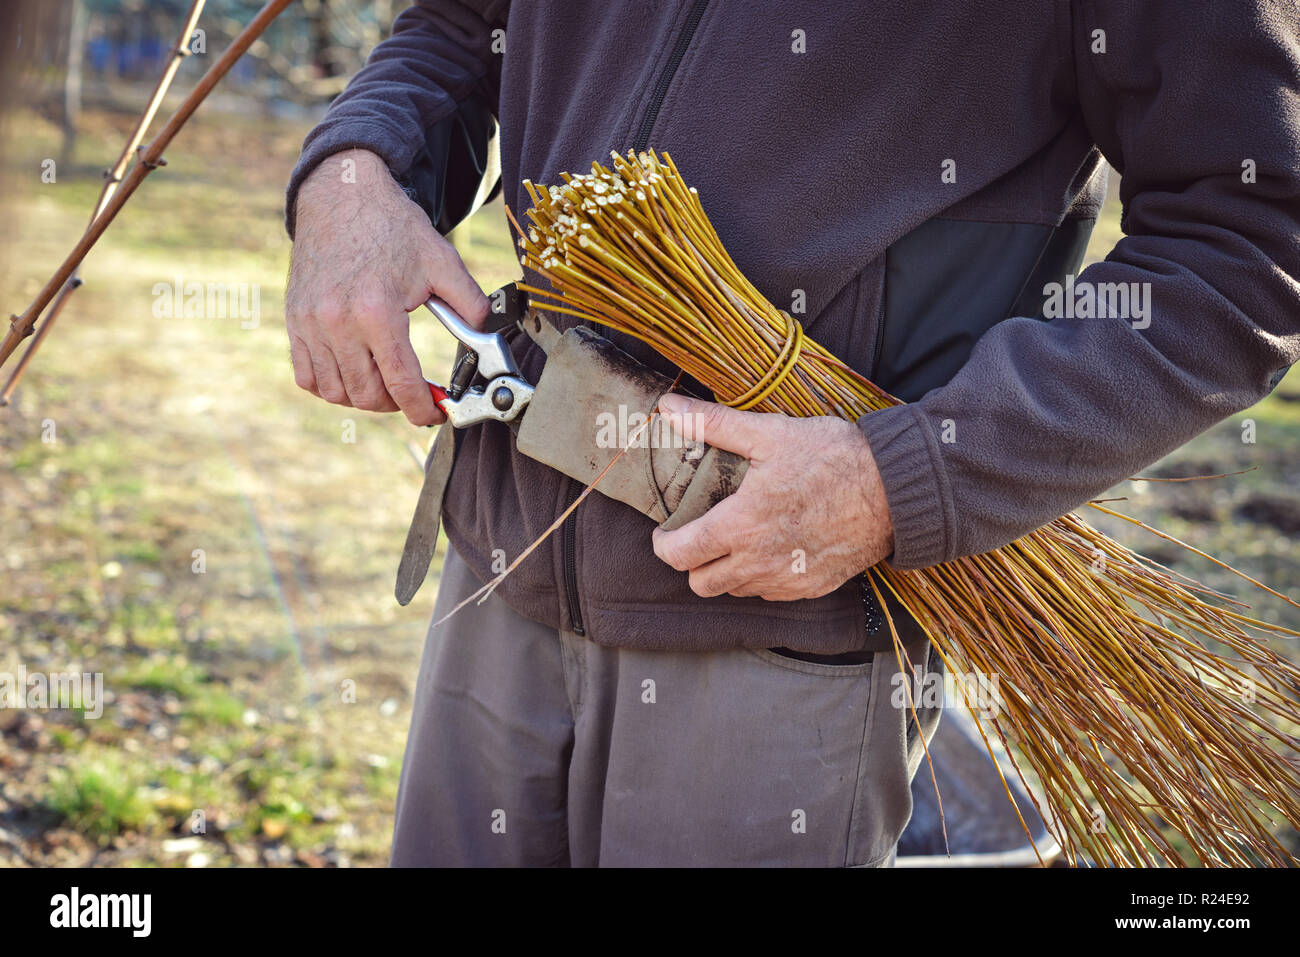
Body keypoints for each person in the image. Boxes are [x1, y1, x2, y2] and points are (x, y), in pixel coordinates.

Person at [283, 1, 1300, 866]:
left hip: (789, 611)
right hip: (501, 545)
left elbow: (1247, 235)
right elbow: (461, 27)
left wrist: (902, 476)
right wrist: (355, 171)